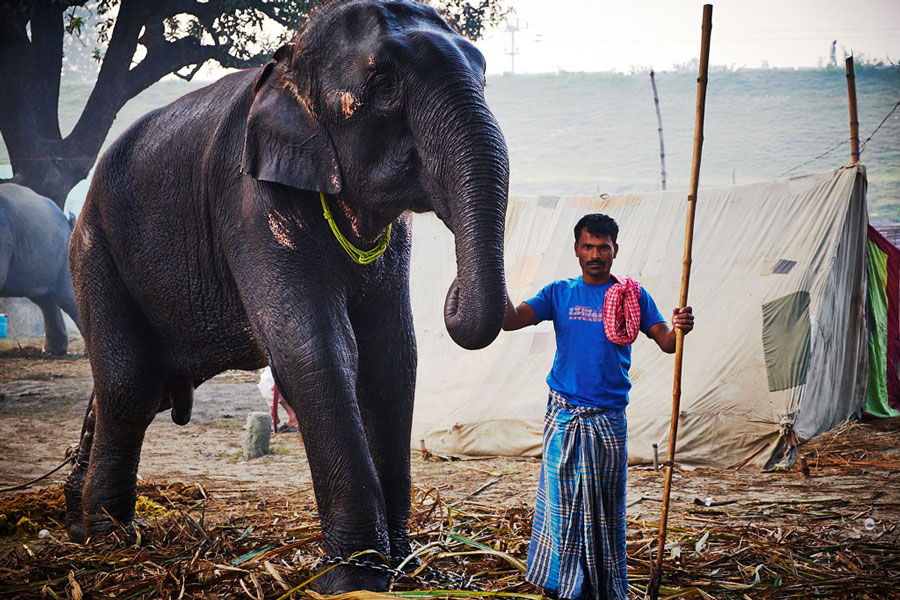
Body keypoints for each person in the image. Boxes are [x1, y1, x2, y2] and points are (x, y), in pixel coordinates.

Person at [503, 213, 694, 600]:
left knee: (605, 508)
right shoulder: (559, 292)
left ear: (615, 251)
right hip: (564, 416)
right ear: (576, 250)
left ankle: (600, 586)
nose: (595, 254)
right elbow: (510, 320)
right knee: (561, 502)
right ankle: (562, 583)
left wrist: (680, 327)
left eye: (602, 247)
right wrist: (488, 286)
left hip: (607, 420)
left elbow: (667, 343)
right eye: (587, 246)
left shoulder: (631, 296)